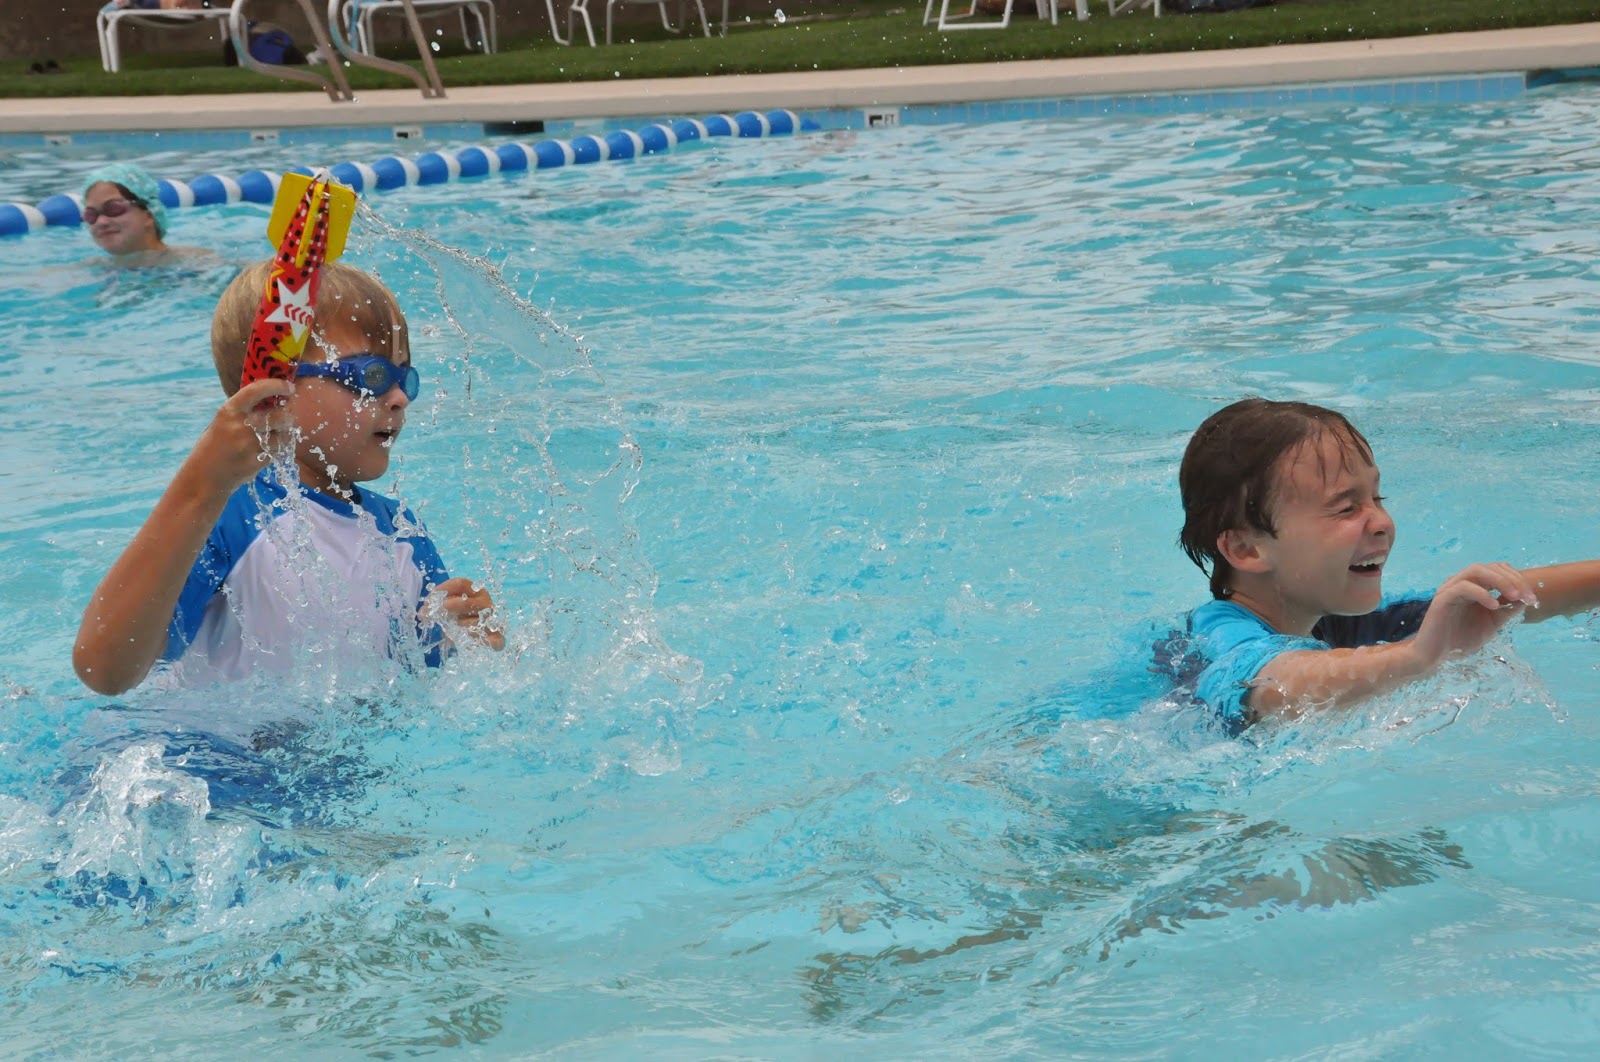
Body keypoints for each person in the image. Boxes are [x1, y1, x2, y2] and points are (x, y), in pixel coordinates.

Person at [73, 261, 504, 695]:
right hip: (197, 759)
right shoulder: (226, 513)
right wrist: (202, 483)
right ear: (271, 389)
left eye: (403, 377)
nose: (397, 399)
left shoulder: (402, 534)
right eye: (371, 375)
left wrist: (463, 639)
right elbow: (106, 670)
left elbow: (419, 681)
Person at [1172, 397, 1600, 728]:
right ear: (1247, 550)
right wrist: (1416, 656)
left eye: (1377, 498)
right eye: (1344, 508)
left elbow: (1506, 597)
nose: (1382, 522)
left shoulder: (1336, 620)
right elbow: (1274, 685)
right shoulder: (1211, 640)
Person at [82, 163, 176, 261]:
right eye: (91, 215)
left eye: (114, 208)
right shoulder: (94, 268)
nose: (101, 222)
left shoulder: (188, 262)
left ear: (149, 215)